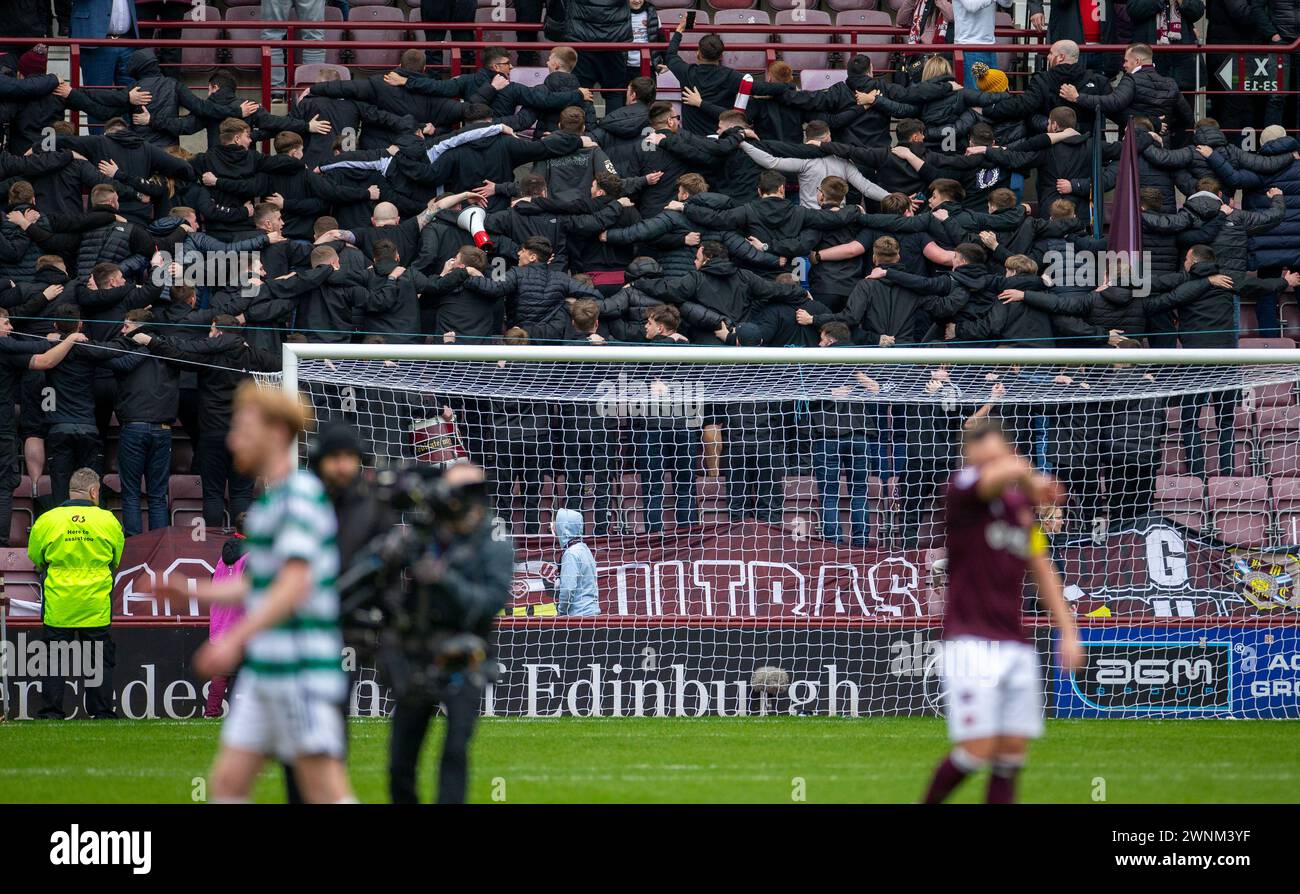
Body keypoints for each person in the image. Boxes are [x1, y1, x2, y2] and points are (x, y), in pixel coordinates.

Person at [158, 383, 353, 803]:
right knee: (228, 784)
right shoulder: (269, 507)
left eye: (242, 427)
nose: (232, 439)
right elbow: (257, 582)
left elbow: (293, 584)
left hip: (300, 669)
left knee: (325, 792)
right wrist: (194, 592)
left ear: (277, 432)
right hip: (269, 669)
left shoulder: (300, 498)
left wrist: (234, 640)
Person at [922, 419, 1083, 804]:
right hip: (970, 642)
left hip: (1014, 643)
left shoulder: (1017, 509)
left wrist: (1069, 630)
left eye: (999, 456)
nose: (994, 466)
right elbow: (1007, 473)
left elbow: (1041, 568)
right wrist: (1028, 478)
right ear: (971, 457)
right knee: (977, 749)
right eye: (986, 458)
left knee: (1011, 753)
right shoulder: (961, 489)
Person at [386, 462, 514, 804]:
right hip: (419, 655)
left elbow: (487, 603)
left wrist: (444, 577)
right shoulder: (427, 536)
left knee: (454, 751)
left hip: (466, 657)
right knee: (401, 758)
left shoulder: (495, 547)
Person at [30, 467, 124, 720]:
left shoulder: (48, 519)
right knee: (99, 660)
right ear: (94, 491)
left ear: (71, 490)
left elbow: (35, 556)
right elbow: (117, 557)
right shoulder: (108, 520)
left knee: (53, 659)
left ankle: (51, 712)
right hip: (95, 603)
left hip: (59, 603)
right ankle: (101, 712)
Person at [204, 518, 247, 719]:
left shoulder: (222, 558)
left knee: (221, 675)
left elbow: (213, 581)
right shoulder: (252, 557)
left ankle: (211, 712)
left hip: (220, 622)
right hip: (242, 623)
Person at [554, 507, 599, 616]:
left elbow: (568, 589)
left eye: (557, 523)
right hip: (591, 613)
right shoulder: (584, 549)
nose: (554, 527)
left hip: (578, 617)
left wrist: (561, 612)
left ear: (564, 527)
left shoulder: (571, 553)